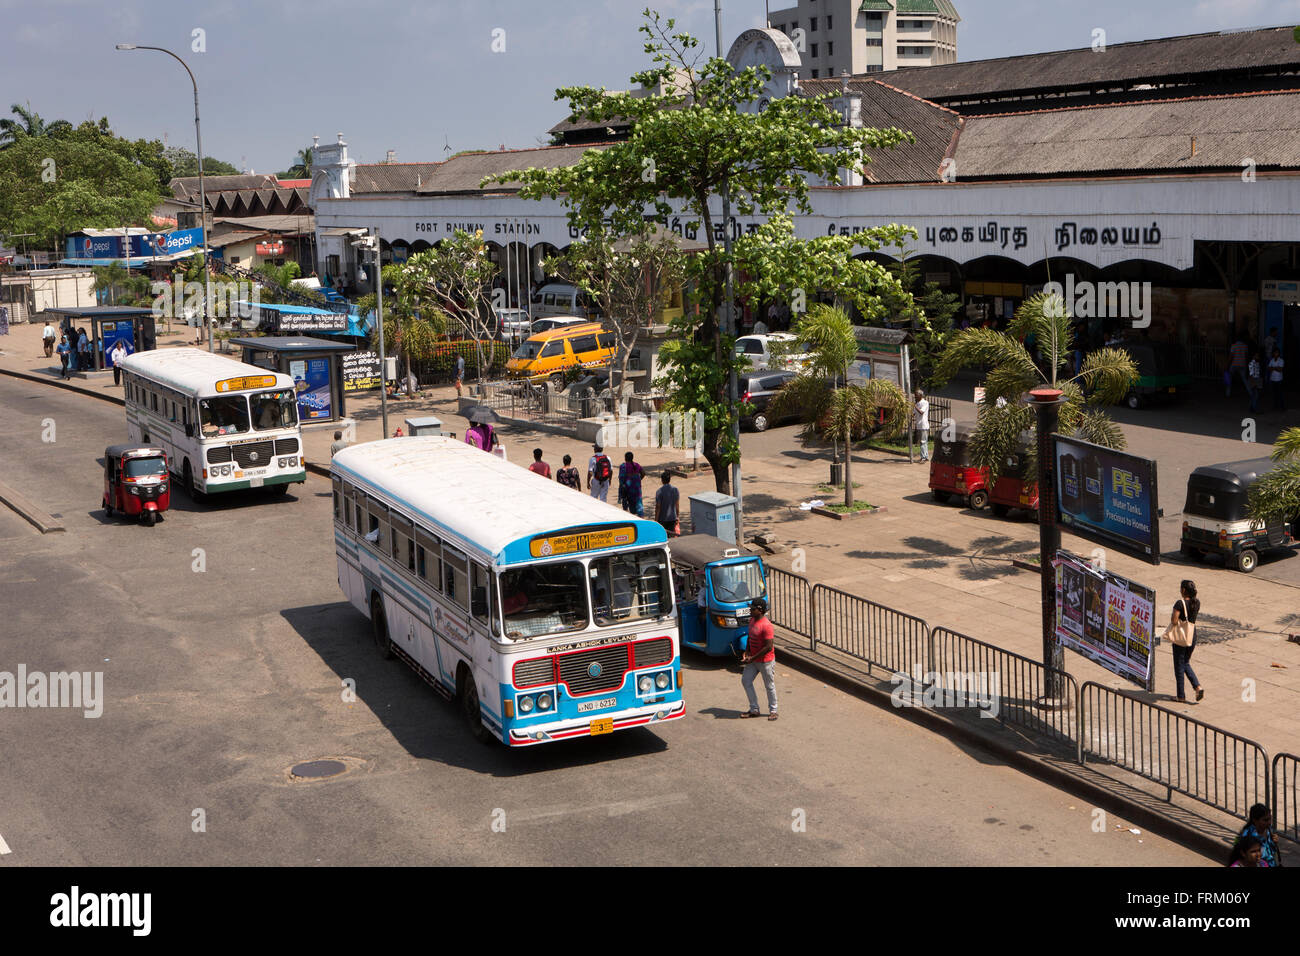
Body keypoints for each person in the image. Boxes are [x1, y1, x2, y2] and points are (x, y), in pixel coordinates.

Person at [1164, 579, 1203, 704]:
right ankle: (1197, 687)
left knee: (1179, 666)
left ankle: (1181, 695)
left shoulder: (1179, 603)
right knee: (1185, 662)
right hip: (1192, 635)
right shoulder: (1196, 602)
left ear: (1183, 590)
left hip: (1181, 637)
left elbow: (1175, 621)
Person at [740, 597, 778, 721]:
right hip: (753, 659)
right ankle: (754, 709)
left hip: (765, 661)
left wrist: (753, 658)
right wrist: (746, 652)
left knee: (769, 686)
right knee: (746, 681)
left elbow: (768, 647)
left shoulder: (766, 626)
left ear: (760, 610)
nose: (750, 610)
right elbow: (750, 638)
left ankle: (773, 710)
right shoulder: (752, 621)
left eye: (753, 609)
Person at [617, 451, 644, 516]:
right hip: (637, 489)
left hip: (627, 489)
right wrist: (638, 480)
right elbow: (643, 473)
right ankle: (641, 520)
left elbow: (621, 479)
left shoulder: (623, 466)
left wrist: (621, 490)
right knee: (639, 506)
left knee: (626, 506)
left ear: (625, 458)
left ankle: (628, 519)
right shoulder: (637, 465)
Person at [653, 472, 680, 536]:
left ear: (662, 480)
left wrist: (656, 520)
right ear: (669, 479)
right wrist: (677, 517)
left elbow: (658, 507)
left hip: (662, 519)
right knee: (672, 536)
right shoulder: (675, 490)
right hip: (672, 518)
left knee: (663, 536)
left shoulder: (659, 491)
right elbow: (677, 505)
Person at [1227, 333, 1248, 398]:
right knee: (1245, 380)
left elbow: (1231, 357)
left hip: (1234, 364)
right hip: (1242, 364)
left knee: (1229, 378)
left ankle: (1228, 393)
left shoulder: (1233, 346)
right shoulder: (1245, 346)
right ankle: (1250, 392)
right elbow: (1246, 356)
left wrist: (1227, 365)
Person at [913, 389, 930, 462]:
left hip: (923, 425)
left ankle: (923, 457)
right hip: (919, 425)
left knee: (923, 442)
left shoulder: (925, 403)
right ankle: (925, 456)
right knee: (923, 442)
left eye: (916, 395)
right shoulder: (917, 404)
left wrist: (915, 406)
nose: (915, 397)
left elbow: (921, 412)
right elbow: (913, 413)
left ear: (920, 395)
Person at [1268, 347, 1285, 411]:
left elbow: (1280, 369)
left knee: (1280, 394)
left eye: (1277, 352)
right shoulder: (1272, 360)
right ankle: (1276, 406)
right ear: (1273, 353)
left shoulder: (1281, 360)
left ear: (1279, 353)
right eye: (1275, 352)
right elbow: (1269, 368)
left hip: (1279, 380)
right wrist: (1276, 368)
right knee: (1274, 394)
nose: (1276, 354)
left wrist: (1273, 368)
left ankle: (1282, 407)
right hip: (1273, 379)